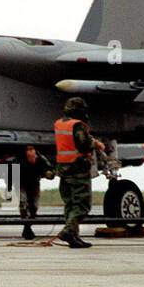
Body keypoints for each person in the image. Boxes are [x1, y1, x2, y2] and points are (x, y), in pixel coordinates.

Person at [53, 96, 105, 248]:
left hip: (63, 168)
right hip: (78, 169)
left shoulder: (60, 124)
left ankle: (74, 237)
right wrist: (95, 144)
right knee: (82, 205)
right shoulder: (77, 125)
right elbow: (83, 144)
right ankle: (69, 231)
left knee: (69, 204)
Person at [17, 144, 54, 240]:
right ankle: (27, 228)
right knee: (23, 204)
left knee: (34, 207)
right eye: (28, 149)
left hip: (34, 183)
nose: (30, 152)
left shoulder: (40, 158)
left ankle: (27, 227)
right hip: (22, 183)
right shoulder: (19, 159)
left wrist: (48, 173)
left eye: (31, 149)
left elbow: (49, 169)